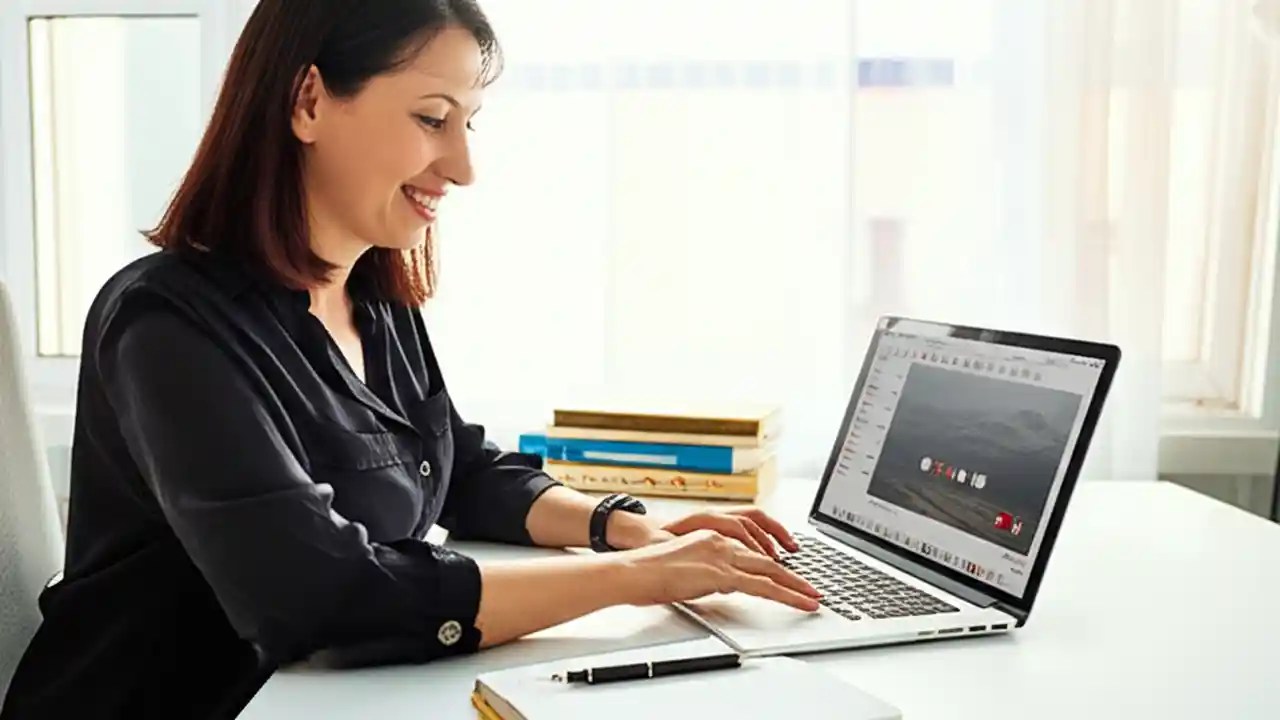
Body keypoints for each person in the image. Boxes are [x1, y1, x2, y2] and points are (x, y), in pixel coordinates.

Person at [0, 1, 821, 718]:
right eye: (433, 119)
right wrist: (645, 579)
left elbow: (456, 467)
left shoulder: (376, 293)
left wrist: (630, 530)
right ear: (310, 100)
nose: (463, 166)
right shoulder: (167, 324)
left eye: (469, 123)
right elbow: (317, 598)